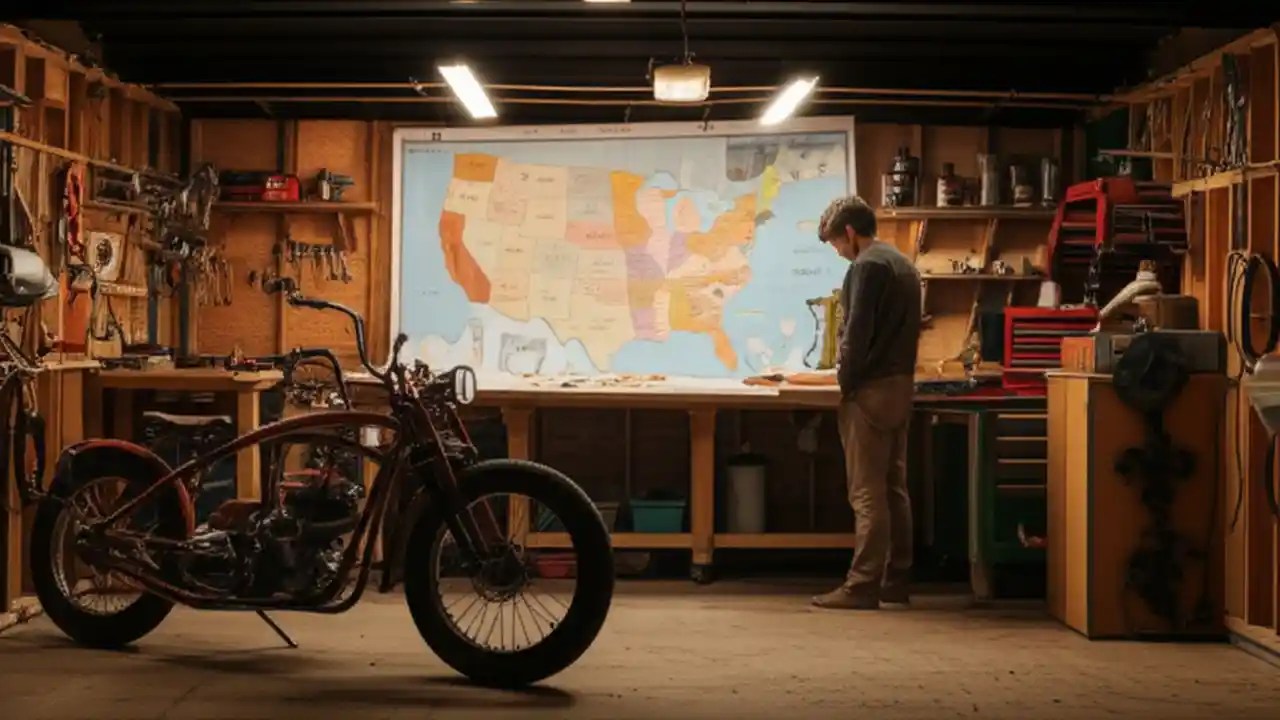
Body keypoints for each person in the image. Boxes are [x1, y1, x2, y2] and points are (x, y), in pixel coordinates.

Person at [811, 195, 922, 610]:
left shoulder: (866, 267)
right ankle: (897, 579)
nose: (839, 252)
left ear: (851, 234)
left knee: (866, 492)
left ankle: (861, 585)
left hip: (871, 391)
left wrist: (844, 383)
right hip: (900, 386)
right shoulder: (902, 263)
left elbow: (856, 336)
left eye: (837, 243)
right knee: (894, 487)